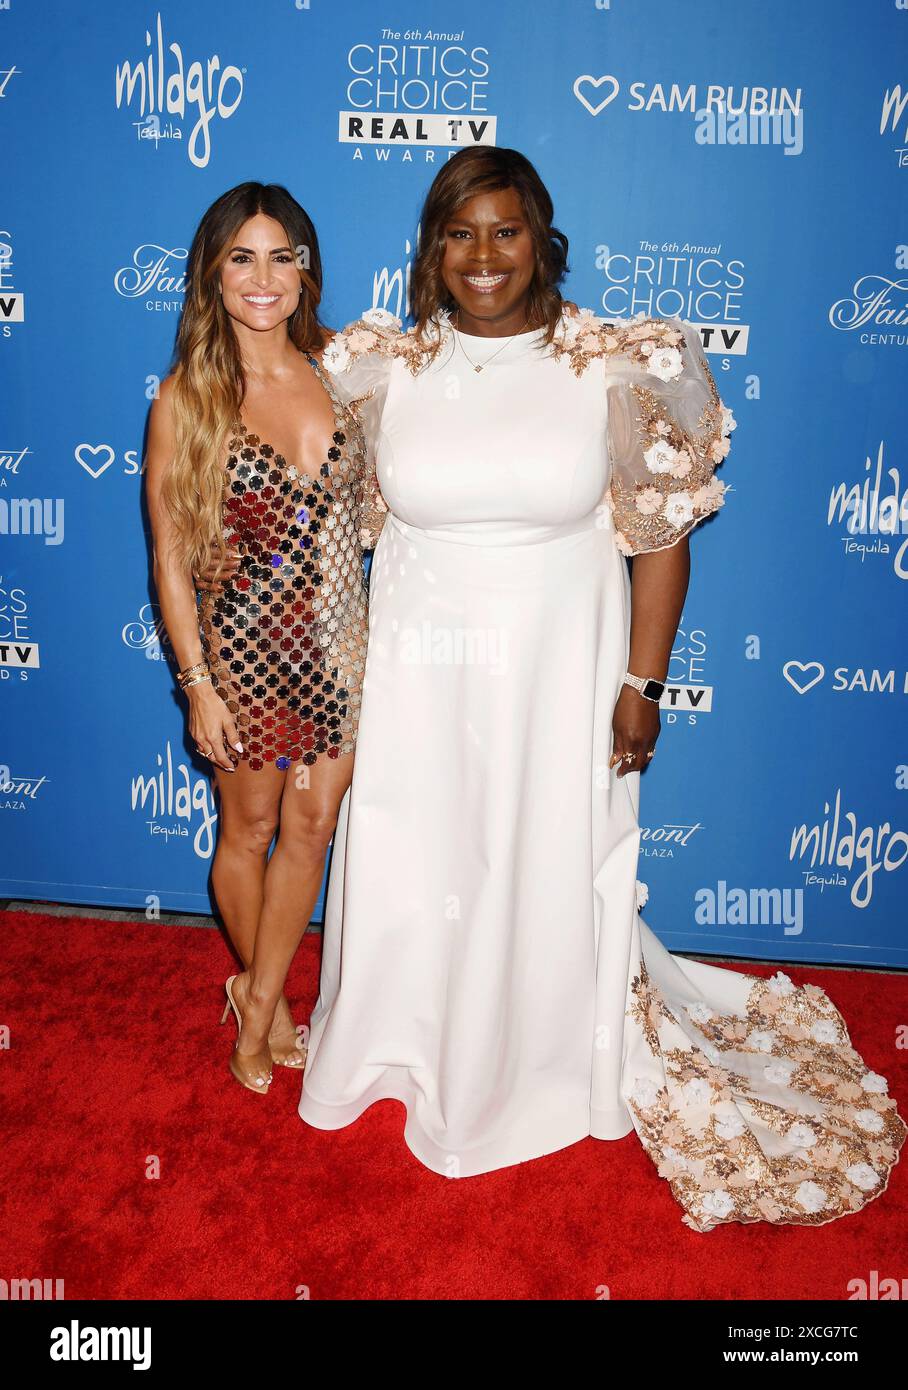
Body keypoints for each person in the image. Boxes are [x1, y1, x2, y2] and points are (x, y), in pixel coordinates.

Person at [295, 147, 906, 1231]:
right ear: (431, 249)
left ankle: (531, 1063)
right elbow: (329, 525)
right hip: (418, 670)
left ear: (541, 237)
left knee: (540, 853)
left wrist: (642, 684)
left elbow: (658, 545)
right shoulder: (378, 368)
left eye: (505, 230)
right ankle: (395, 1040)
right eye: (458, 232)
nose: (482, 255)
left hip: (558, 663)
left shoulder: (618, 364)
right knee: (417, 848)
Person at [145, 182, 375, 1095]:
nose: (264, 277)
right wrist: (197, 681)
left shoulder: (347, 375)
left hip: (342, 644)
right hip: (242, 652)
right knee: (250, 828)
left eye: (284, 256)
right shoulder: (187, 398)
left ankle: (258, 988)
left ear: (307, 271)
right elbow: (168, 556)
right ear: (213, 270)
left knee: (311, 825)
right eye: (243, 256)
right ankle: (268, 1011)